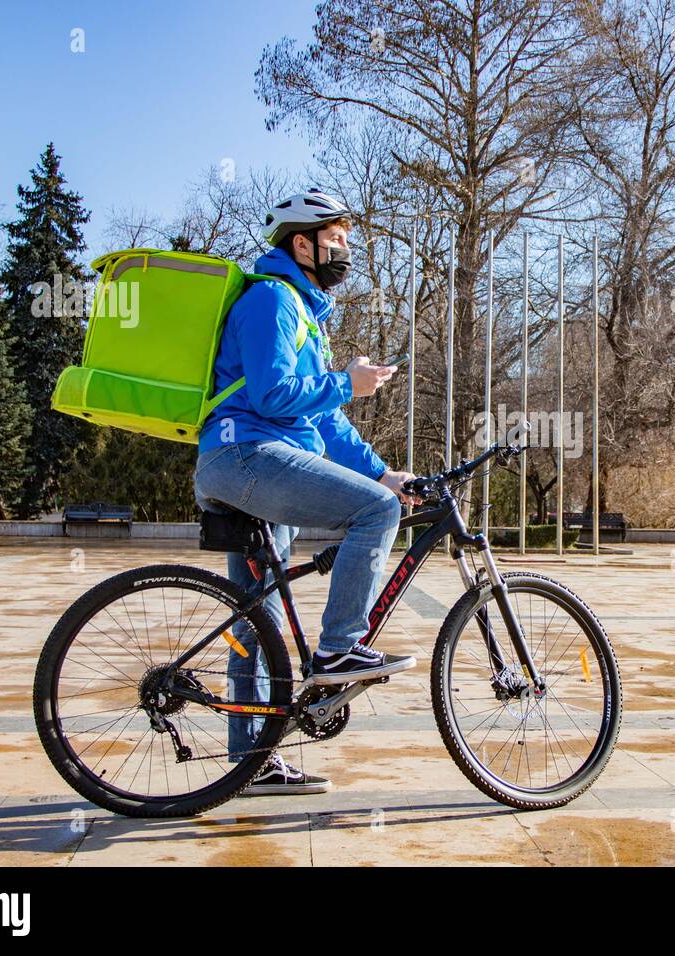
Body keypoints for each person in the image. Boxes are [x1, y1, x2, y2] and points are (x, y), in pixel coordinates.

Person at [193, 188, 422, 795]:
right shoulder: (273, 299)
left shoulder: (302, 311)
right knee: (375, 515)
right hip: (248, 456)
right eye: (338, 239)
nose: (347, 250)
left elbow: (321, 423)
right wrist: (347, 382)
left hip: (252, 461)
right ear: (304, 243)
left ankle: (251, 760)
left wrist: (382, 473)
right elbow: (273, 397)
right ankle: (338, 650)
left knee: (255, 617)